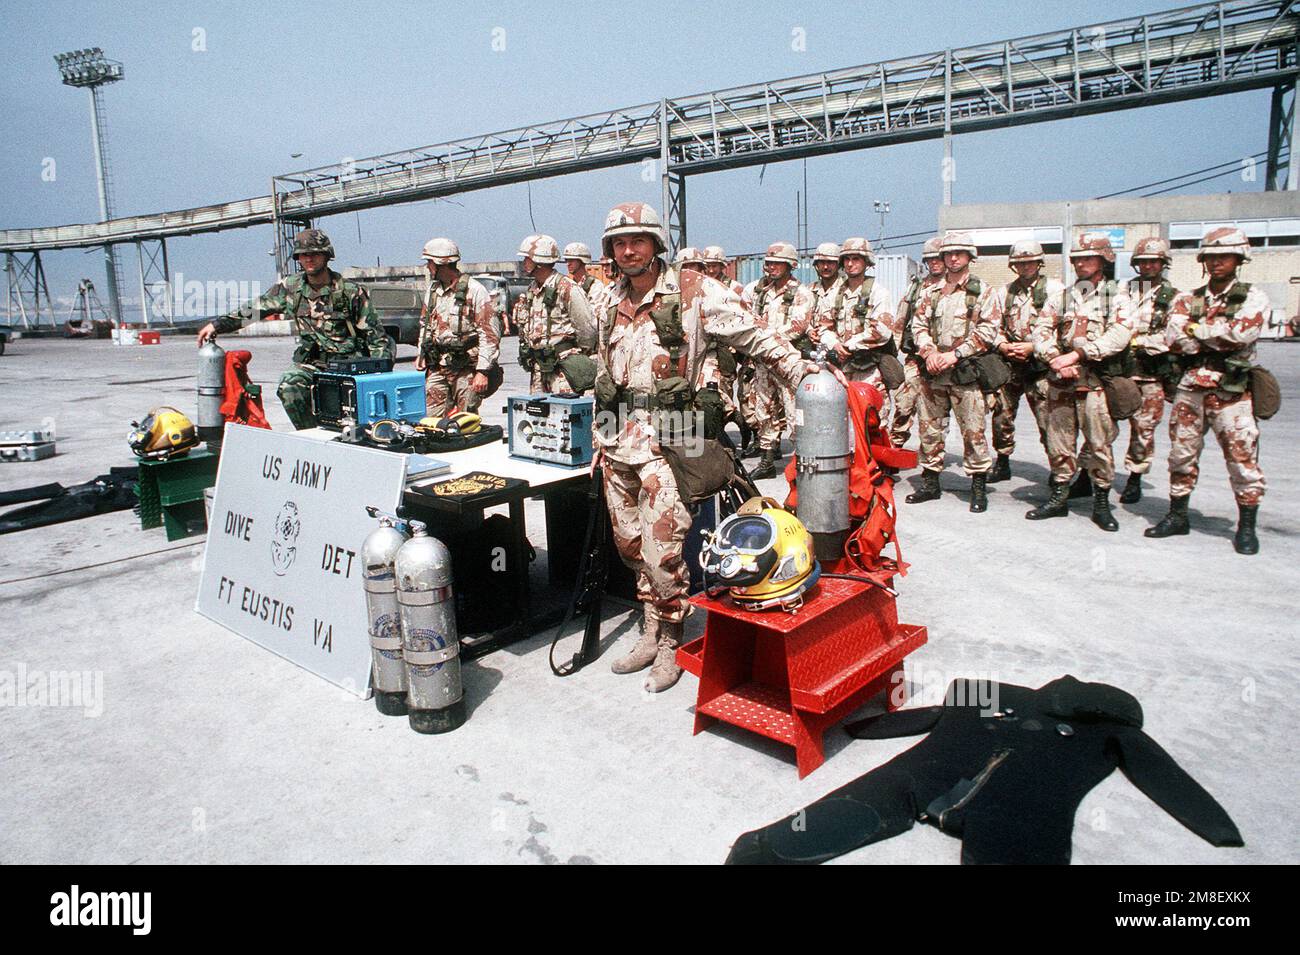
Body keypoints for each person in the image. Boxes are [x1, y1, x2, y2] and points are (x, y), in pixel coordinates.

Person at [594, 202, 814, 693]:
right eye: (619, 243)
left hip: (668, 444)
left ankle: (671, 636)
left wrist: (801, 372)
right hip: (616, 441)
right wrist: (598, 436)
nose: (628, 251)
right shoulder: (610, 299)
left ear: (655, 244)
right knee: (631, 546)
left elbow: (756, 336)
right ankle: (650, 626)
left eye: (638, 241)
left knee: (665, 546)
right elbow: (607, 372)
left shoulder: (696, 292)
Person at [1146, 227, 1268, 554]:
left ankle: (1246, 526)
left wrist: (1197, 329)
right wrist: (1207, 334)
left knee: (1242, 457)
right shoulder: (1188, 298)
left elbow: (1241, 334)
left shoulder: (1252, 296)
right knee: (1181, 454)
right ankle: (1178, 515)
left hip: (1231, 391)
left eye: (1223, 257)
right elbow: (1174, 339)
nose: (1216, 263)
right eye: (1211, 257)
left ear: (1239, 258)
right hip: (1190, 388)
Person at [196, 229, 392, 430]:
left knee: (358, 417)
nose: (309, 259)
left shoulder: (350, 292)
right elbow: (255, 309)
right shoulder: (291, 288)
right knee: (289, 386)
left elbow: (376, 338)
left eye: (315, 253)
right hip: (313, 365)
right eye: (304, 255)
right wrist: (217, 325)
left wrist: (380, 376)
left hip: (350, 366)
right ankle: (312, 435)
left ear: (326, 255)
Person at [1026, 233, 1134, 530]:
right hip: (1061, 382)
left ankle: (1101, 502)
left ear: (1104, 260)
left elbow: (1120, 335)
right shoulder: (1061, 296)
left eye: (1088, 257)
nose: (1081, 263)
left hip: (1096, 382)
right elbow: (1041, 330)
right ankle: (1060, 496)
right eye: (1077, 258)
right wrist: (1053, 358)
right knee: (1059, 442)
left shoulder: (1118, 295)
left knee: (1100, 444)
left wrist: (1078, 356)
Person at [907, 231, 1001, 512]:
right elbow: (918, 326)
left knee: (973, 430)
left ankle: (978, 484)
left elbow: (988, 330)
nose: (953, 258)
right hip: (934, 371)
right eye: (949, 253)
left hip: (965, 371)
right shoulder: (930, 293)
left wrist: (954, 355)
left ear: (970, 257)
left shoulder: (983, 291)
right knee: (929, 429)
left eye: (959, 253)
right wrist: (930, 353)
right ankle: (931, 481)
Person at [989, 240, 1063, 482]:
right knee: (1001, 416)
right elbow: (993, 325)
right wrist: (1003, 345)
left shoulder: (1056, 290)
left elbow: (1064, 330)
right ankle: (1002, 461)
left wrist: (1033, 347)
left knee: (1048, 419)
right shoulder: (1005, 292)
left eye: (1030, 262)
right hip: (1010, 364)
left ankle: (1058, 470)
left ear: (1039, 262)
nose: (1025, 267)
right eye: (1020, 263)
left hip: (1039, 365)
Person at [1117, 237, 1180, 503]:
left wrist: (1136, 340)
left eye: (1154, 261)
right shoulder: (1121, 291)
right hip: (1119, 370)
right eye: (1143, 262)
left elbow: (1173, 336)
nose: (1148, 267)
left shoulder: (1175, 297)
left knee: (1143, 429)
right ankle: (1089, 473)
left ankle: (1135, 477)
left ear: (1163, 263)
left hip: (1150, 373)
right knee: (1099, 425)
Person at [744, 241, 812, 478]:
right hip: (763, 363)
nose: (771, 267)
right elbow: (752, 321)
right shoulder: (761, 292)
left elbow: (798, 327)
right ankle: (767, 460)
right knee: (764, 410)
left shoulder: (801, 294)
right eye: (769, 263)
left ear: (790, 265)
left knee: (795, 414)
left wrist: (767, 339)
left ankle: (802, 461)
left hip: (787, 362)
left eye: (777, 263)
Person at [414, 237, 500, 416]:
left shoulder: (474, 291)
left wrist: (482, 371)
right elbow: (426, 324)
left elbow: (489, 334)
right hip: (439, 366)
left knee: (465, 420)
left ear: (441, 263)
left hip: (466, 368)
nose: (428, 267)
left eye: (430, 262)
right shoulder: (433, 291)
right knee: (430, 419)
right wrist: (422, 354)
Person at [817, 237, 897, 400]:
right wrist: (835, 345)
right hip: (839, 371)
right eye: (846, 259)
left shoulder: (878, 293)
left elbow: (882, 331)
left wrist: (848, 346)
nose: (850, 264)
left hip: (869, 371)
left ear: (867, 262)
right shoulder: (834, 294)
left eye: (856, 259)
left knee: (871, 421)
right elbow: (824, 327)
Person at [515, 234, 595, 394]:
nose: (524, 262)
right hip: (539, 369)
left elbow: (587, 331)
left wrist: (577, 357)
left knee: (563, 416)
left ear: (539, 260)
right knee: (537, 414)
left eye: (527, 258)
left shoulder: (567, 288)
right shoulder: (532, 289)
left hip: (563, 371)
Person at [890, 237, 945, 449]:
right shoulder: (915, 288)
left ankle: (932, 453)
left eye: (938, 258)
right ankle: (895, 448)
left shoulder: (955, 288)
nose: (934, 263)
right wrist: (892, 356)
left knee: (935, 410)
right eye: (930, 259)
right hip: (916, 359)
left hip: (947, 360)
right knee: (904, 404)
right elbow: (900, 322)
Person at [563, 241, 608, 315]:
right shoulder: (568, 285)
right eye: (566, 260)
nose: (568, 264)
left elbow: (595, 315)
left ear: (582, 260)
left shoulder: (595, 286)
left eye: (571, 260)